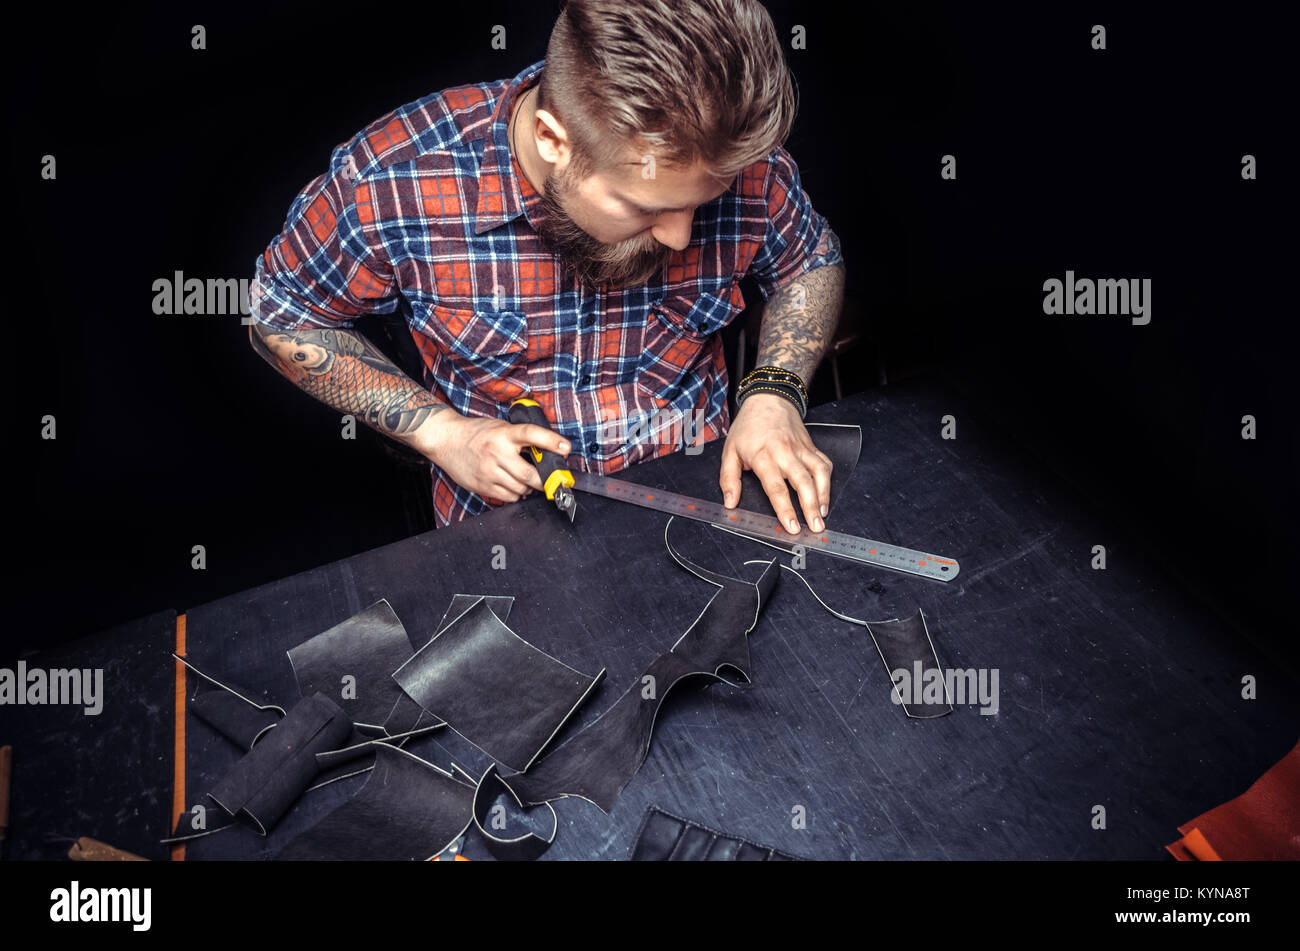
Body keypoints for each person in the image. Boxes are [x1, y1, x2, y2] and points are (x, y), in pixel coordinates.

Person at [247, 0, 845, 534]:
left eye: (702, 204)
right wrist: (443, 434)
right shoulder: (393, 180)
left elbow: (810, 261)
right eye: (647, 207)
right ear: (552, 139)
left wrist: (776, 394)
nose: (680, 234)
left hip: (708, 506)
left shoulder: (732, 156)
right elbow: (281, 315)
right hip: (505, 536)